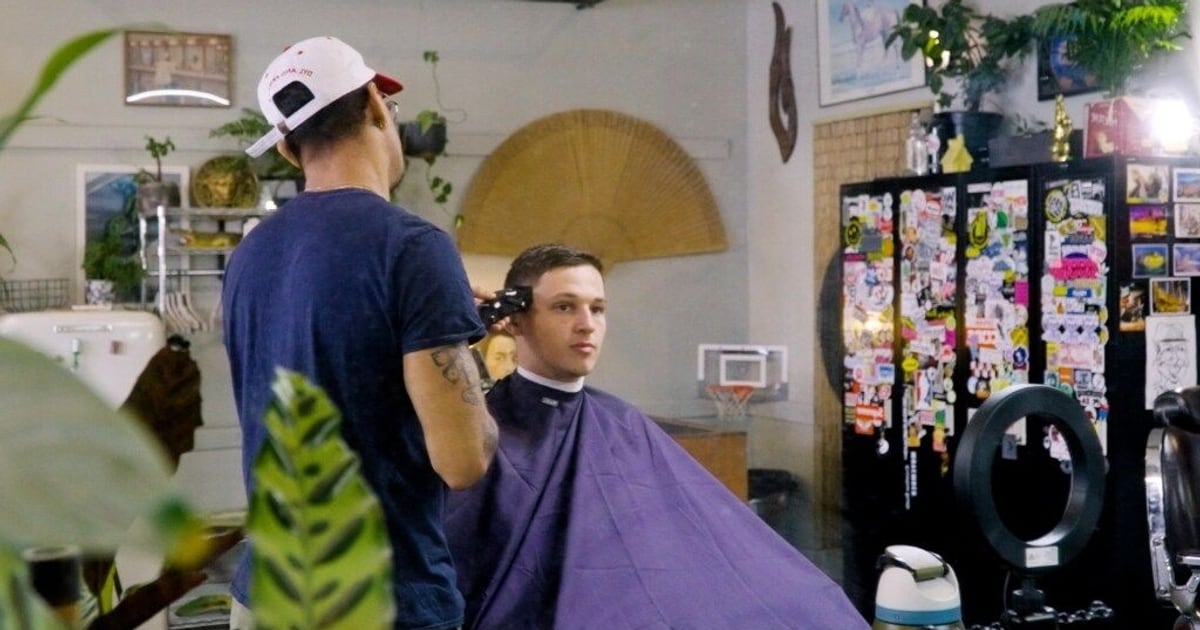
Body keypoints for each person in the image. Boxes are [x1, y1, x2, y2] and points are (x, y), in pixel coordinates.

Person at [222, 36, 498, 630]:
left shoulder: (250, 254)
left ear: (291, 149)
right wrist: (476, 358)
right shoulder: (413, 249)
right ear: (377, 104)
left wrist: (435, 317)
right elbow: (464, 460)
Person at [444, 243, 868, 629]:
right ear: (514, 321)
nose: (586, 325)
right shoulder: (477, 432)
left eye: (598, 308)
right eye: (564, 307)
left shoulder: (623, 424)